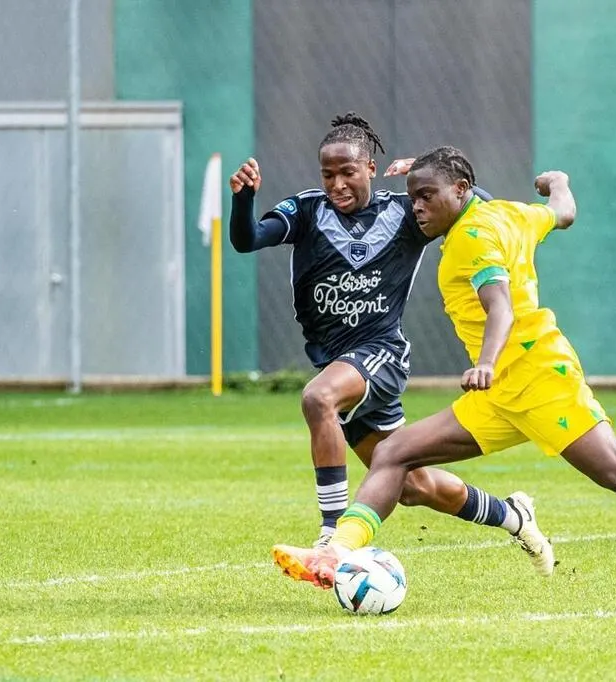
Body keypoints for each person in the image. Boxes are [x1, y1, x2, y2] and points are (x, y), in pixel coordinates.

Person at [270, 145, 616, 588]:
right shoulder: (508, 212)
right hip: (503, 389)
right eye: (412, 199)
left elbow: (498, 306)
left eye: (427, 197)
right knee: (393, 453)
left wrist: (483, 362)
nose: (417, 209)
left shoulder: (473, 241)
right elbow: (563, 214)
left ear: (460, 191)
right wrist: (558, 183)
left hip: (535, 376)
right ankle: (335, 553)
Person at [229, 113, 554, 575]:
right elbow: (246, 240)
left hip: (380, 353)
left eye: (347, 172)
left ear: (372, 169)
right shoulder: (305, 211)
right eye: (327, 174)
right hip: (340, 362)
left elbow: (476, 205)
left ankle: (330, 538)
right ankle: (514, 516)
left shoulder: (406, 214)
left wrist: (427, 168)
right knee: (411, 485)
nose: (336, 183)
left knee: (318, 397)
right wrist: (243, 200)